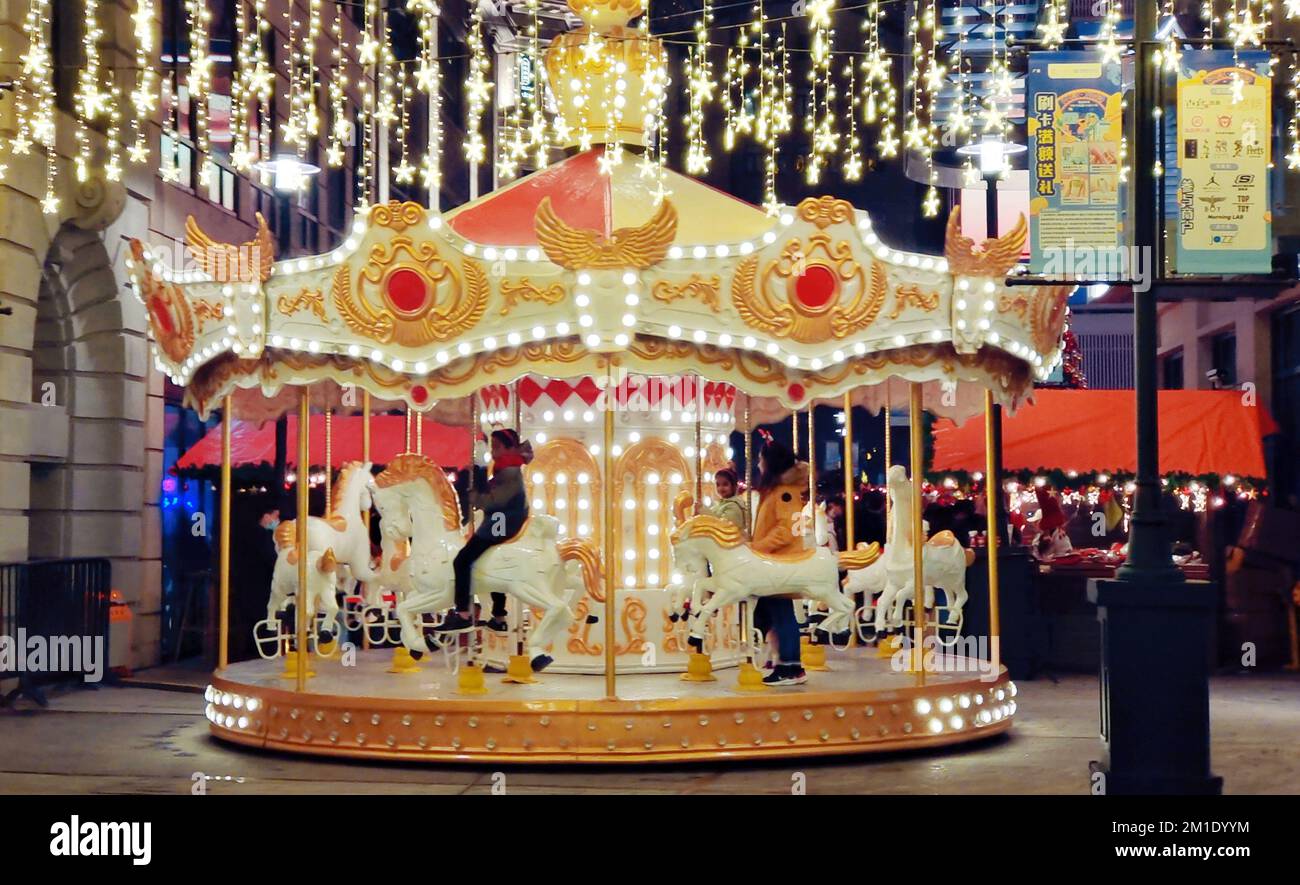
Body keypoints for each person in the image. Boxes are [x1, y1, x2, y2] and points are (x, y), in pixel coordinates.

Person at [435, 429, 532, 634]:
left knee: (461, 560)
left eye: (497, 447)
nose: (493, 452)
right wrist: (478, 474)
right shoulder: (505, 468)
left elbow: (492, 501)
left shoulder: (510, 471)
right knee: (492, 563)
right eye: (492, 447)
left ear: (509, 448)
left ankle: (462, 613)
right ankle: (498, 615)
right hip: (502, 520)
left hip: (502, 522)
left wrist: (475, 490)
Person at [749, 437, 808, 686]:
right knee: (779, 614)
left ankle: (790, 666)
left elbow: (786, 530)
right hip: (773, 561)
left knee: (783, 615)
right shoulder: (777, 491)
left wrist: (757, 546)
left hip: (780, 561)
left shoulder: (784, 493)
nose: (758, 463)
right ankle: (789, 665)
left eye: (761, 459)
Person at [710, 468, 747, 533]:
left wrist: (703, 510)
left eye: (725, 484)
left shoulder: (734, 506)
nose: (721, 488)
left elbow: (724, 526)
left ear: (734, 486)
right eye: (718, 485)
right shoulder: (719, 504)